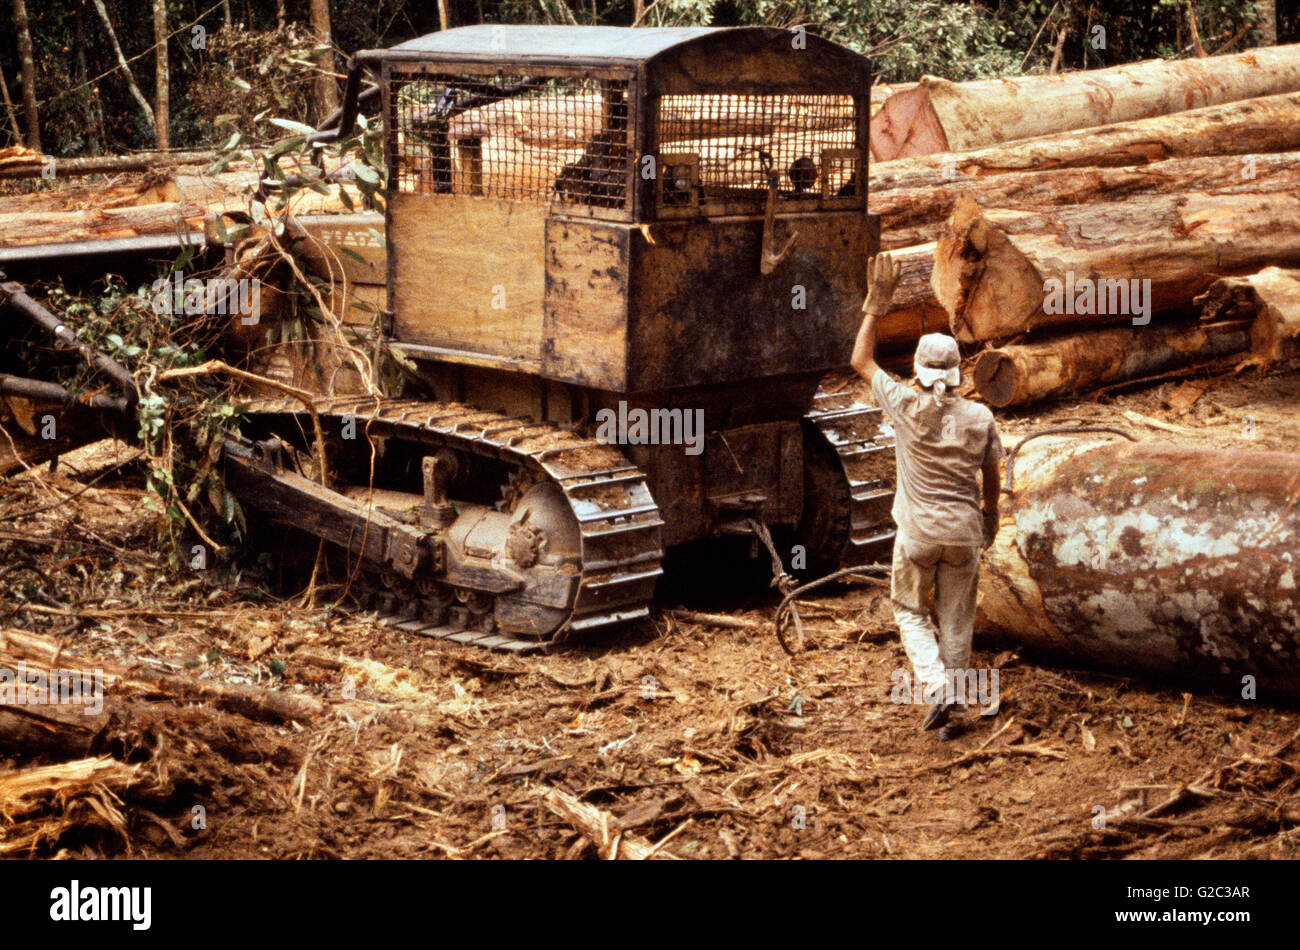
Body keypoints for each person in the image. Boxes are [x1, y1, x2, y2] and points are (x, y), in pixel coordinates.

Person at [850, 253, 1004, 740]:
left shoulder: (904, 404)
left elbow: (859, 361)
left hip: (917, 534)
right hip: (963, 533)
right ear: (960, 372)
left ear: (916, 369)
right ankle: (955, 707)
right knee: (957, 621)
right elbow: (993, 473)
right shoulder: (980, 419)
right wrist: (991, 516)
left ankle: (939, 691)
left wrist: (876, 304)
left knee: (911, 611)